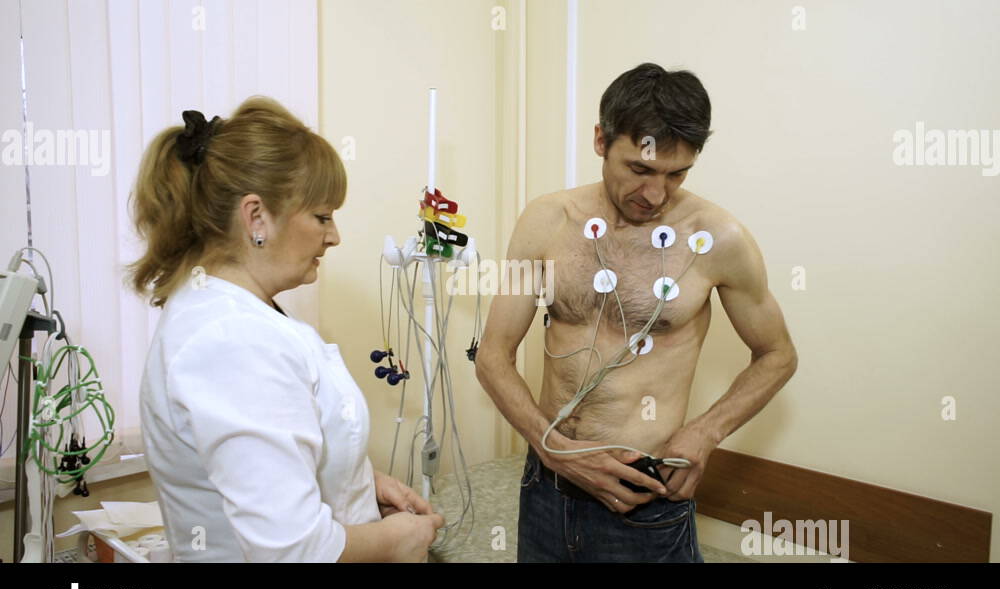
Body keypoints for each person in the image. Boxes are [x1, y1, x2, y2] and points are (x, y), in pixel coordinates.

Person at [475, 63, 798, 563]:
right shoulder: (546, 220)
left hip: (644, 493)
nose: (655, 194)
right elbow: (493, 355)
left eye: (676, 174)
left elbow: (777, 354)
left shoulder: (720, 239)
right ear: (601, 140)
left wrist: (705, 432)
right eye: (640, 169)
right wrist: (553, 447)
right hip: (547, 480)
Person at [127, 97, 444, 562]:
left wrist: (353, 482)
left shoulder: (236, 316)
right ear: (256, 218)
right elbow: (293, 552)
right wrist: (400, 541)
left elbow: (260, 466)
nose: (333, 236)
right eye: (322, 216)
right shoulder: (232, 340)